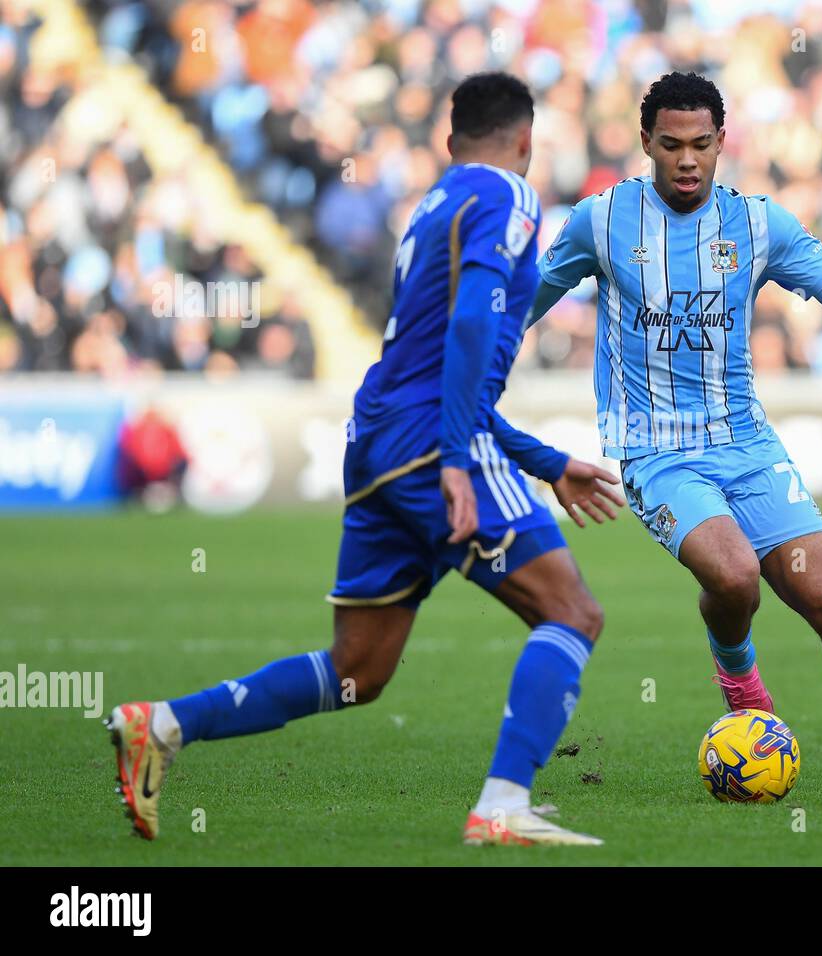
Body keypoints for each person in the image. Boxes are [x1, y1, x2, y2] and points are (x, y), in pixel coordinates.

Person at [107, 72, 623, 846]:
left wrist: (543, 461)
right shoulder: (510, 197)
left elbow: (447, 366)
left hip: (378, 441)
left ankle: (166, 725)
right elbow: (472, 330)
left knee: (358, 670)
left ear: (450, 143)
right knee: (571, 612)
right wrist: (456, 459)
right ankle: (503, 805)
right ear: (525, 142)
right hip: (430, 445)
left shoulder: (433, 206)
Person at [530, 71, 822, 794]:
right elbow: (532, 299)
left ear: (720, 143)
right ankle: (738, 675)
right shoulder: (600, 221)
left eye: (700, 145)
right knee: (735, 576)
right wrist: (457, 358)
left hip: (748, 444)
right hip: (656, 450)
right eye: (670, 145)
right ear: (645, 142)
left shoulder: (760, 223)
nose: (686, 159)